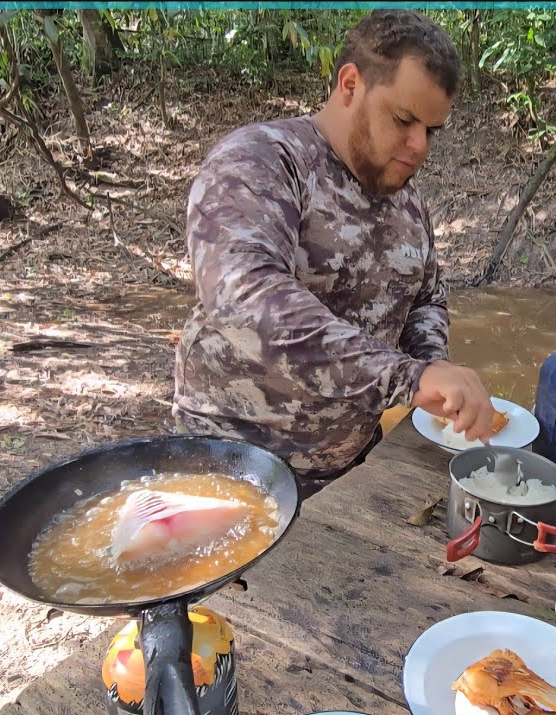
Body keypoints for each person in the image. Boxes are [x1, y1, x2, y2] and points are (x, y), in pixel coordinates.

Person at [172, 10, 496, 498]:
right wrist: (409, 377)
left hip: (353, 470)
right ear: (350, 84)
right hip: (235, 469)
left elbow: (425, 298)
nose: (419, 146)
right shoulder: (261, 162)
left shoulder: (406, 196)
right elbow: (245, 301)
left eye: (432, 130)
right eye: (405, 119)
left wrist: (435, 370)